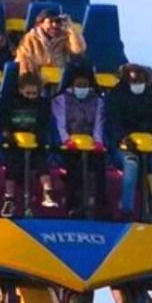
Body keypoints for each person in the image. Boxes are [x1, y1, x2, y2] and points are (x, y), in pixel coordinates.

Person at [106, 63, 152, 223]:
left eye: (139, 81)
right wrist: (123, 138)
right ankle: (126, 210)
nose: (136, 84)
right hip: (125, 146)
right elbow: (112, 120)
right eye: (133, 81)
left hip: (151, 147)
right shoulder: (117, 94)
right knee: (131, 165)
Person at [0, 70, 57, 215]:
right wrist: (7, 135)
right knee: (12, 166)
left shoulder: (42, 105)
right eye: (27, 93)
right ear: (21, 90)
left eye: (34, 94)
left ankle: (48, 192)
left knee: (42, 163)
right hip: (15, 141)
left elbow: (44, 123)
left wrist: (40, 137)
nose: (31, 97)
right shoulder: (10, 102)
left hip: (34, 141)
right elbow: (2, 120)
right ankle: (9, 199)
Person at [52, 63, 107, 217]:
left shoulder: (98, 101)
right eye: (78, 84)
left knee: (99, 166)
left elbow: (99, 123)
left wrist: (98, 141)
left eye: (85, 84)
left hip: (91, 144)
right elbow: (60, 123)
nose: (81, 87)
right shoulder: (61, 100)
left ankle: (100, 206)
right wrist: (66, 141)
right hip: (68, 145)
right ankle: (73, 205)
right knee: (74, 167)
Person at [15, 9, 87, 76]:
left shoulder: (65, 36)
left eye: (57, 22)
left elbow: (78, 50)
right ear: (41, 23)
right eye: (50, 22)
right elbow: (20, 59)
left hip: (59, 76)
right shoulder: (30, 38)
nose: (54, 25)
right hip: (36, 76)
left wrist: (70, 28)